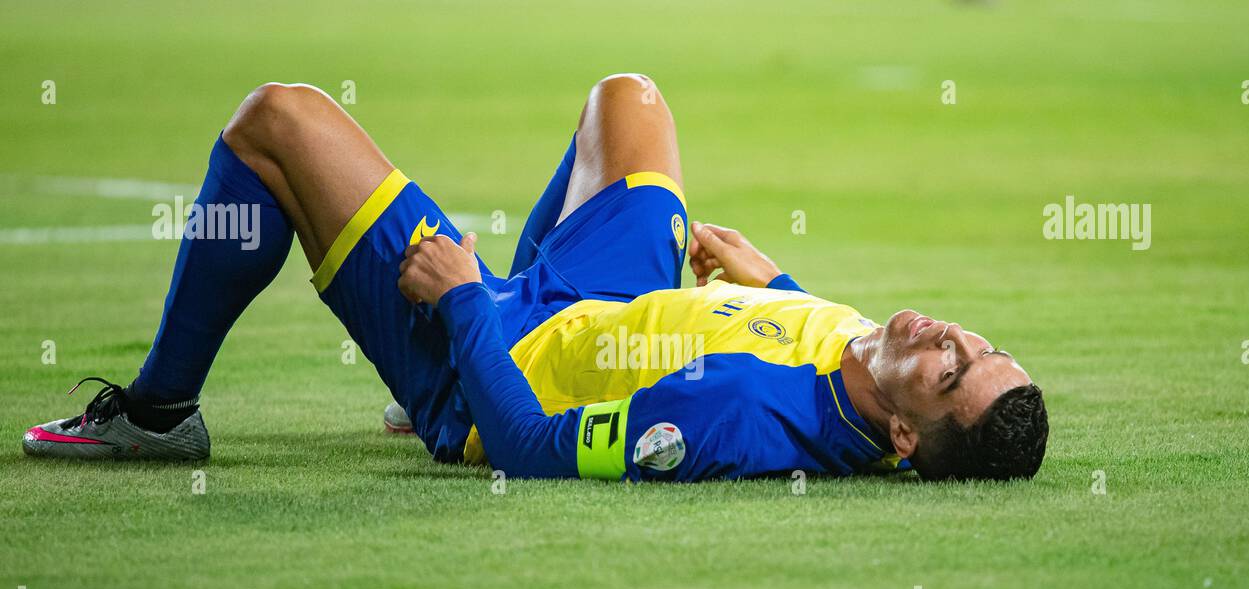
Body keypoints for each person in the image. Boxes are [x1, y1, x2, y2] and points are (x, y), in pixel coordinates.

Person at [23, 74, 1047, 481]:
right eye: (981, 343)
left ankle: (157, 413)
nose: (951, 338)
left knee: (278, 122)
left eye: (952, 371)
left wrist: (467, 303)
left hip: (499, 360)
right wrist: (778, 283)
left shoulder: (730, 422)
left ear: (906, 435)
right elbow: (815, 356)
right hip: (610, 304)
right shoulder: (866, 362)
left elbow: (528, 448)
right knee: (628, 100)